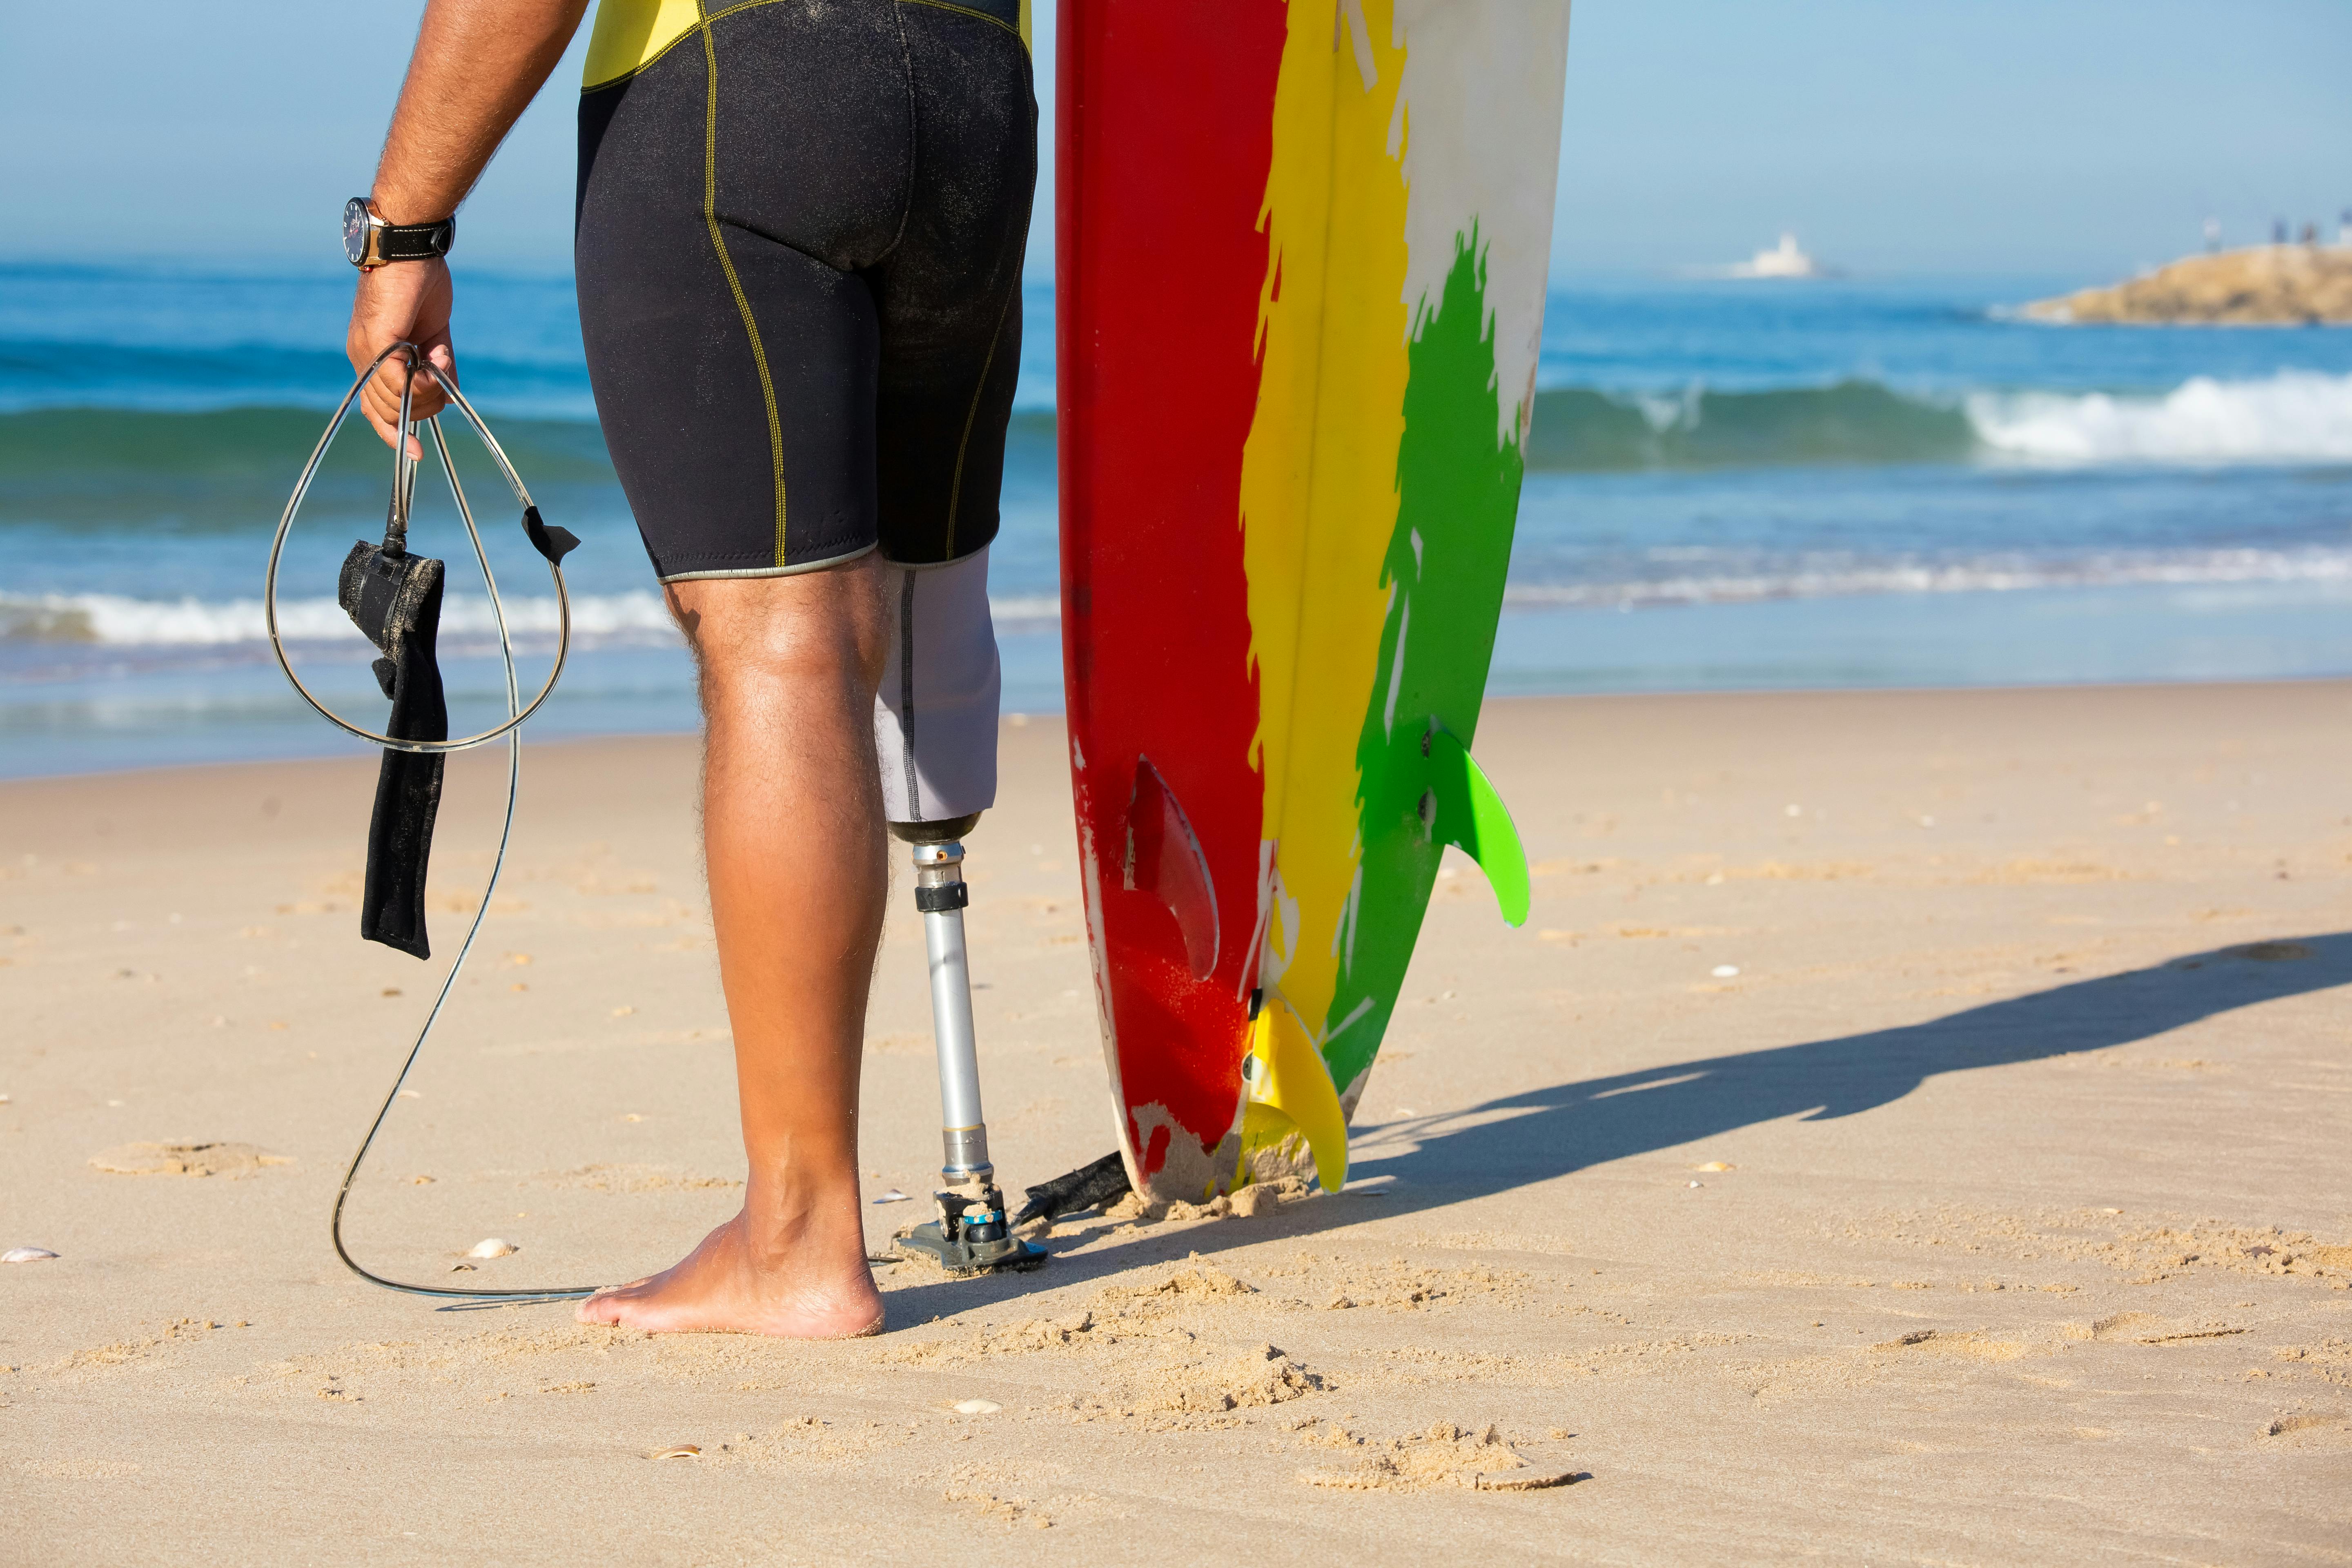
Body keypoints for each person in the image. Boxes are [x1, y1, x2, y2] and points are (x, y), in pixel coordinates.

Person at [344, 0, 1035, 1338]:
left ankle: (797, 1239)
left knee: (788, 648)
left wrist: (408, 232)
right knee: (904, 607)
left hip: (745, 90)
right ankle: (926, 1174)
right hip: (973, 95)